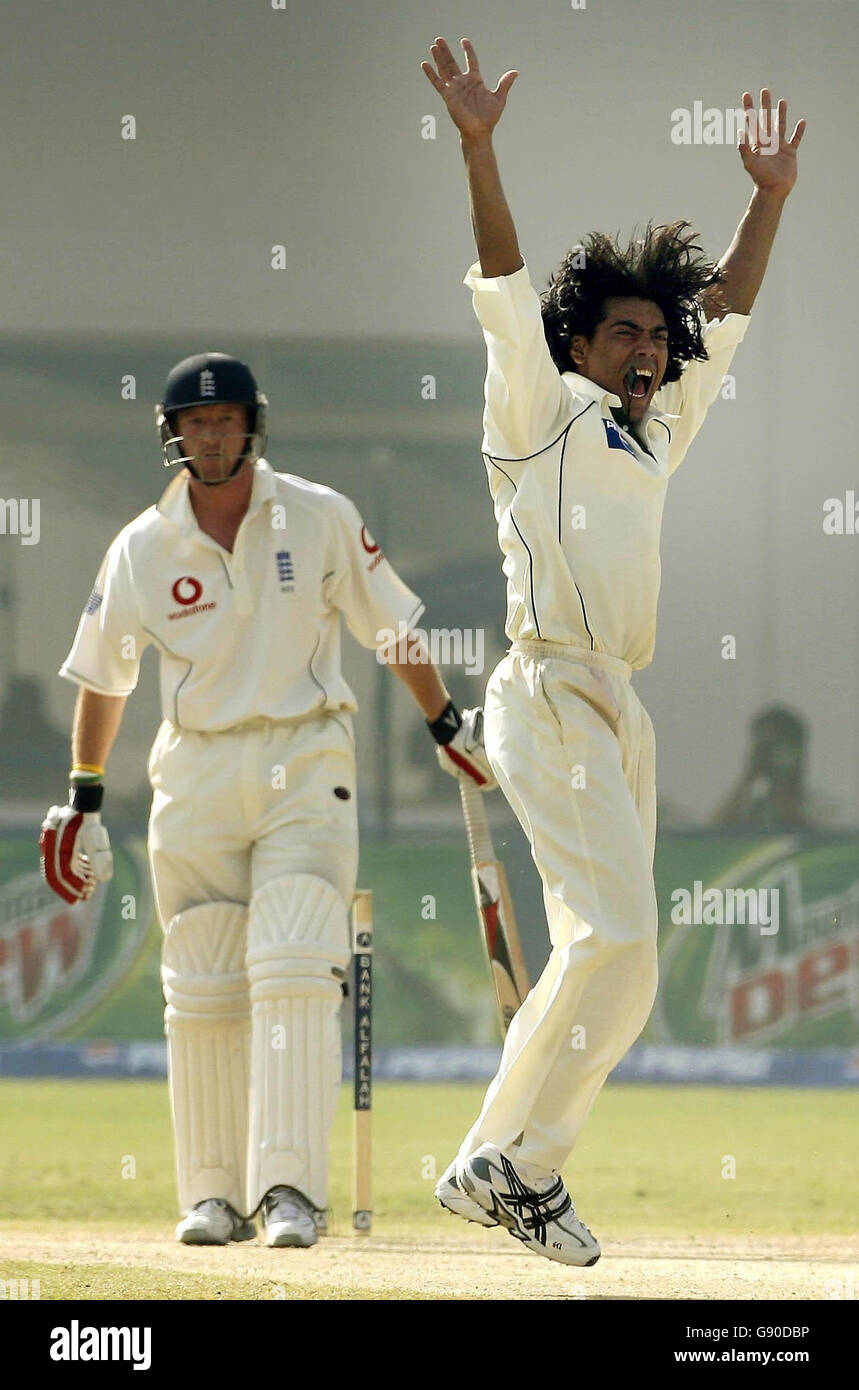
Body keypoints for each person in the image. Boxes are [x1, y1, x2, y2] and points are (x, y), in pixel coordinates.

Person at [422, 36, 805, 1266]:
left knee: (625, 973)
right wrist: (478, 147)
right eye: (628, 330)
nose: (651, 347)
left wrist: (769, 199)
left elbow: (731, 311)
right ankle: (505, 1160)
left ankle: (510, 1165)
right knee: (615, 940)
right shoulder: (538, 411)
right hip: (543, 686)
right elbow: (499, 274)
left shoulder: (654, 430)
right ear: (578, 343)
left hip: (614, 705)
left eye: (656, 333)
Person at [39, 351, 492, 1247]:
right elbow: (104, 673)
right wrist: (83, 797)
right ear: (173, 435)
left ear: (253, 425)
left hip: (305, 751)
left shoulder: (318, 516)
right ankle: (210, 1196)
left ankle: (290, 1189)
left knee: (291, 960)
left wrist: (443, 727)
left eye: (227, 420)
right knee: (203, 977)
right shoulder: (142, 543)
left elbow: (389, 626)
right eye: (196, 423)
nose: (212, 435)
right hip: (196, 769)